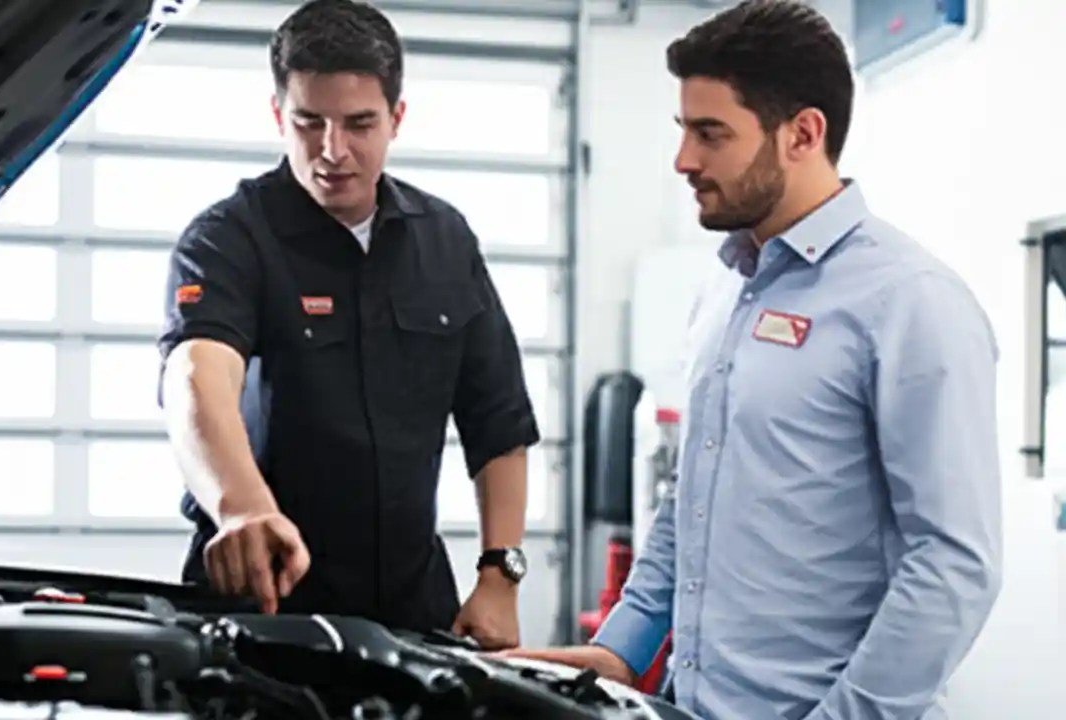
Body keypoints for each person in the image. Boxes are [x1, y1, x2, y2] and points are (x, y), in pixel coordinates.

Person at [498, 1, 1003, 718]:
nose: (684, 160)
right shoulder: (726, 282)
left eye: (711, 134)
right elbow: (694, 496)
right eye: (683, 130)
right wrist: (624, 647)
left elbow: (953, 568)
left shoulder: (910, 302)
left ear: (803, 133)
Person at [156, 0, 540, 649]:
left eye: (360, 124)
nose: (334, 151)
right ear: (279, 116)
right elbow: (196, 375)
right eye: (310, 123)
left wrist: (500, 575)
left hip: (415, 614)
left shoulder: (445, 240)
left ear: (397, 118)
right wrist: (241, 507)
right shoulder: (227, 239)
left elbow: (497, 421)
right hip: (267, 611)